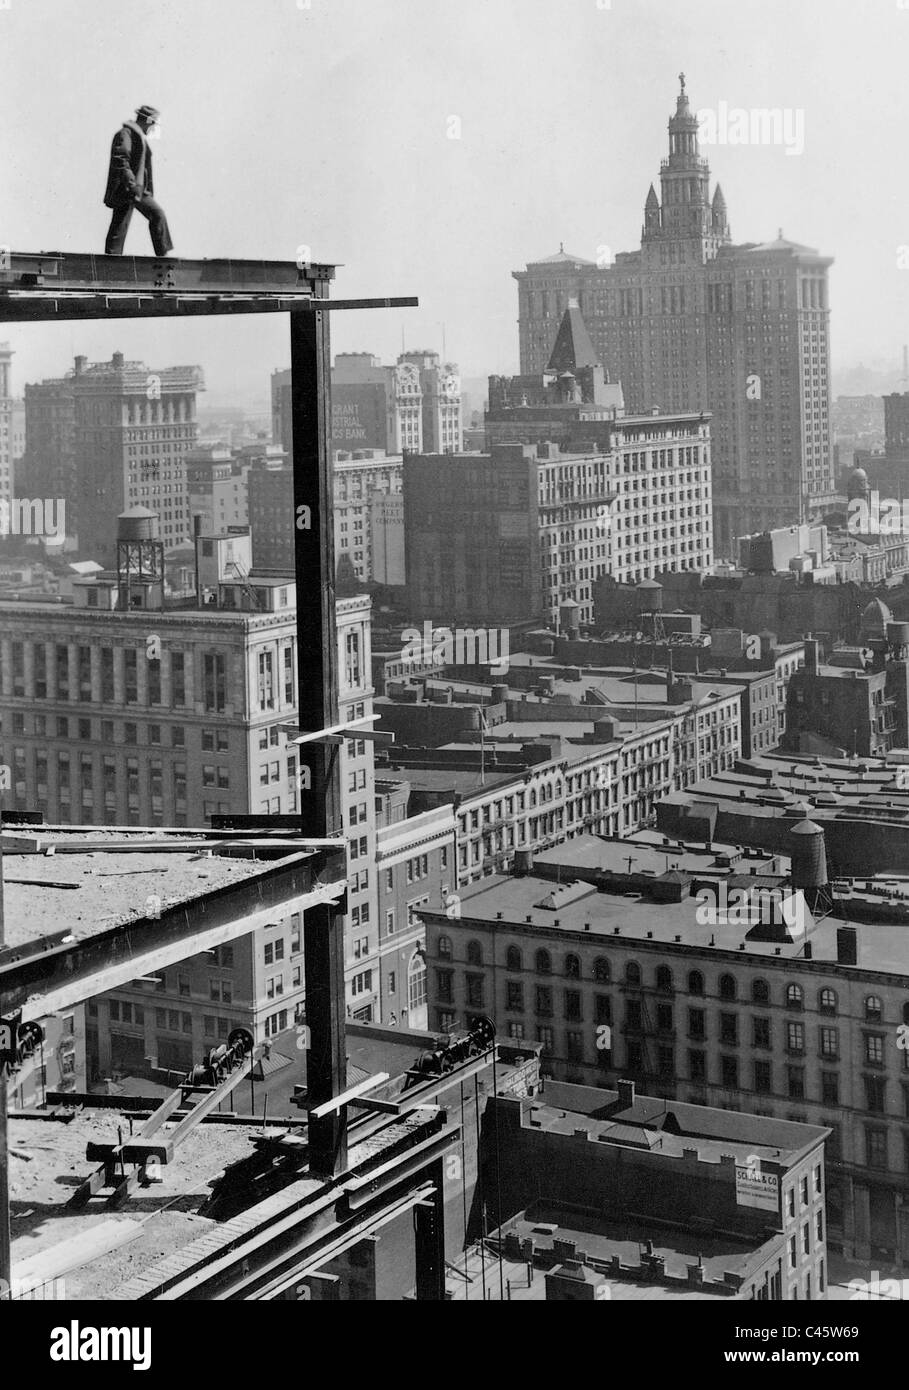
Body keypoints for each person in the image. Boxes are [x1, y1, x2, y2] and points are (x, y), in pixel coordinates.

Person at [103, 105, 173, 257]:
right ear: (148, 121)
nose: (154, 129)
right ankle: (112, 260)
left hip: (137, 189)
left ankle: (112, 258)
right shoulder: (126, 134)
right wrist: (132, 185)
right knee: (125, 224)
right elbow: (121, 160)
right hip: (129, 189)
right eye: (154, 124)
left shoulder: (137, 135)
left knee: (122, 225)